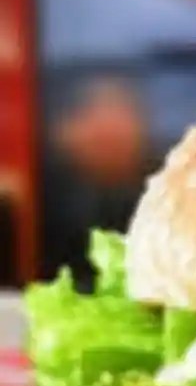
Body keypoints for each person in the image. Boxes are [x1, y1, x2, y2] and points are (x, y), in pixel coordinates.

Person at [42, 75, 152, 289]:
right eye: (95, 116)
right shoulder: (50, 198)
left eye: (121, 114)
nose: (110, 130)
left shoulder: (162, 192)